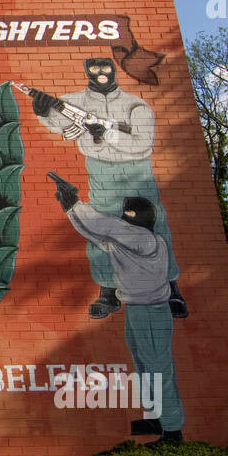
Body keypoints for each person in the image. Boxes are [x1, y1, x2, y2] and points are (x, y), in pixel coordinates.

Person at [26, 58, 186, 319]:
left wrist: (107, 133)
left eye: (106, 68)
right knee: (100, 225)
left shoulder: (135, 105)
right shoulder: (76, 100)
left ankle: (170, 288)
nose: (101, 74)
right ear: (87, 71)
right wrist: (44, 112)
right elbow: (63, 125)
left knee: (155, 227)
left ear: (114, 71)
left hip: (136, 168)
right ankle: (108, 290)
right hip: (99, 167)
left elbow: (142, 144)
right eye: (95, 69)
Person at [52, 175, 184, 445]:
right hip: (137, 310)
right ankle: (156, 416)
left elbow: (105, 226)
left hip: (151, 311)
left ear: (139, 219)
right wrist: (70, 208)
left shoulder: (146, 240)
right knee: (143, 365)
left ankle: (172, 430)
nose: (123, 219)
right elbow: (94, 231)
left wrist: (75, 203)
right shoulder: (130, 242)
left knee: (158, 367)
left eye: (128, 216)